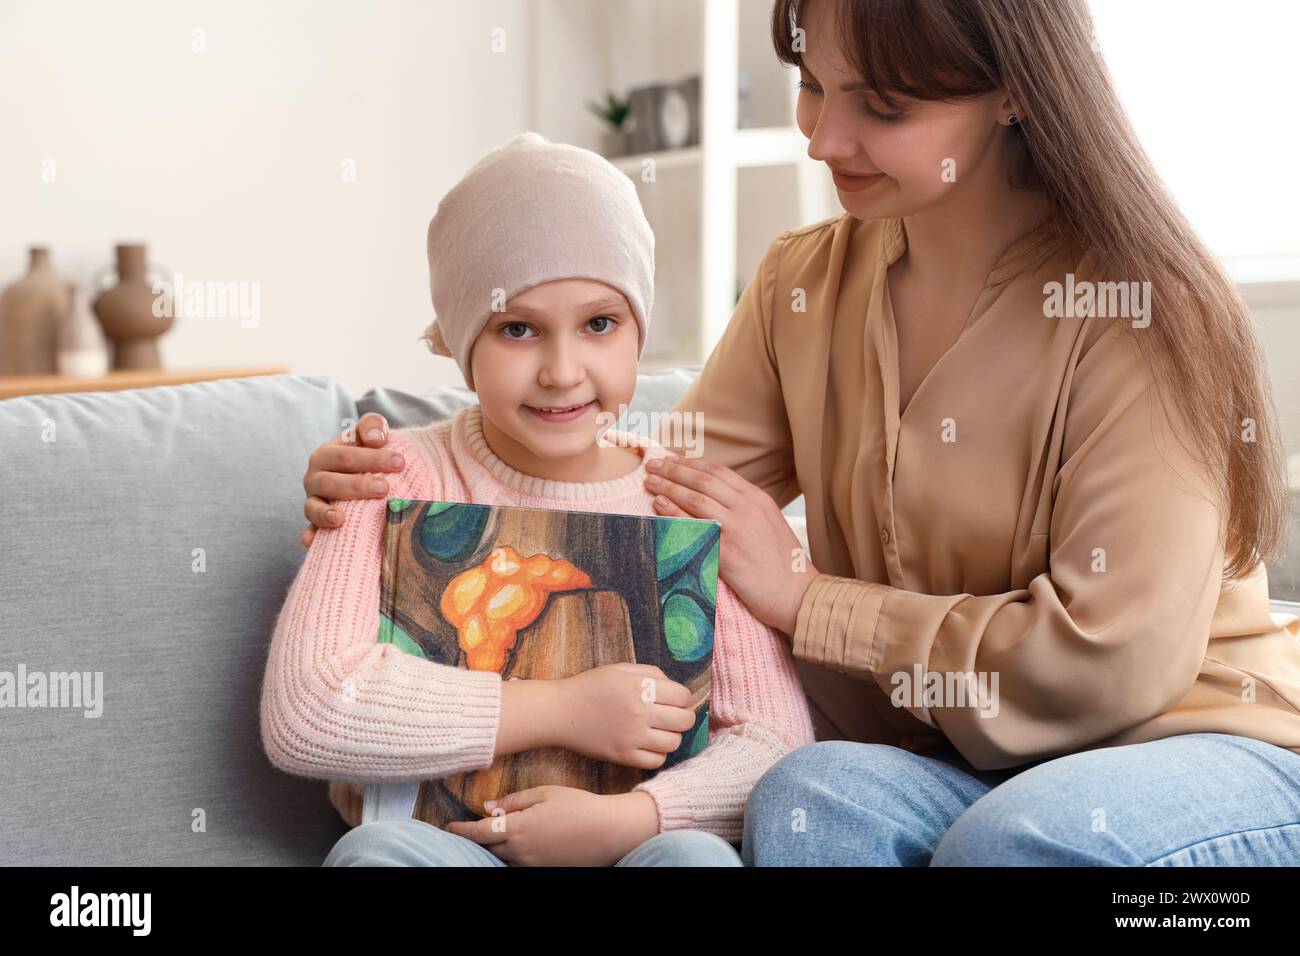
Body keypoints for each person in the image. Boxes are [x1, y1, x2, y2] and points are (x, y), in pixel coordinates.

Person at [299, 1, 1300, 866]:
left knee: (1016, 837)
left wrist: (811, 599)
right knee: (806, 797)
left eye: (883, 106)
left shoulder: (1139, 308)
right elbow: (636, 501)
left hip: (1193, 741)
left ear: (1013, 90)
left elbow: (1108, 664)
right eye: (812, 86)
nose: (822, 138)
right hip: (956, 764)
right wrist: (391, 493)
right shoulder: (803, 285)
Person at [261, 132, 813, 867]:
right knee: (379, 854)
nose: (561, 371)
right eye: (517, 328)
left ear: (637, 334)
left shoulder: (686, 500)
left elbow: (776, 744)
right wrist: (562, 711)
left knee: (696, 861)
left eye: (599, 324)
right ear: (462, 343)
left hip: (632, 846)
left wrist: (638, 818)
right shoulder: (390, 476)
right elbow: (305, 711)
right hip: (446, 846)